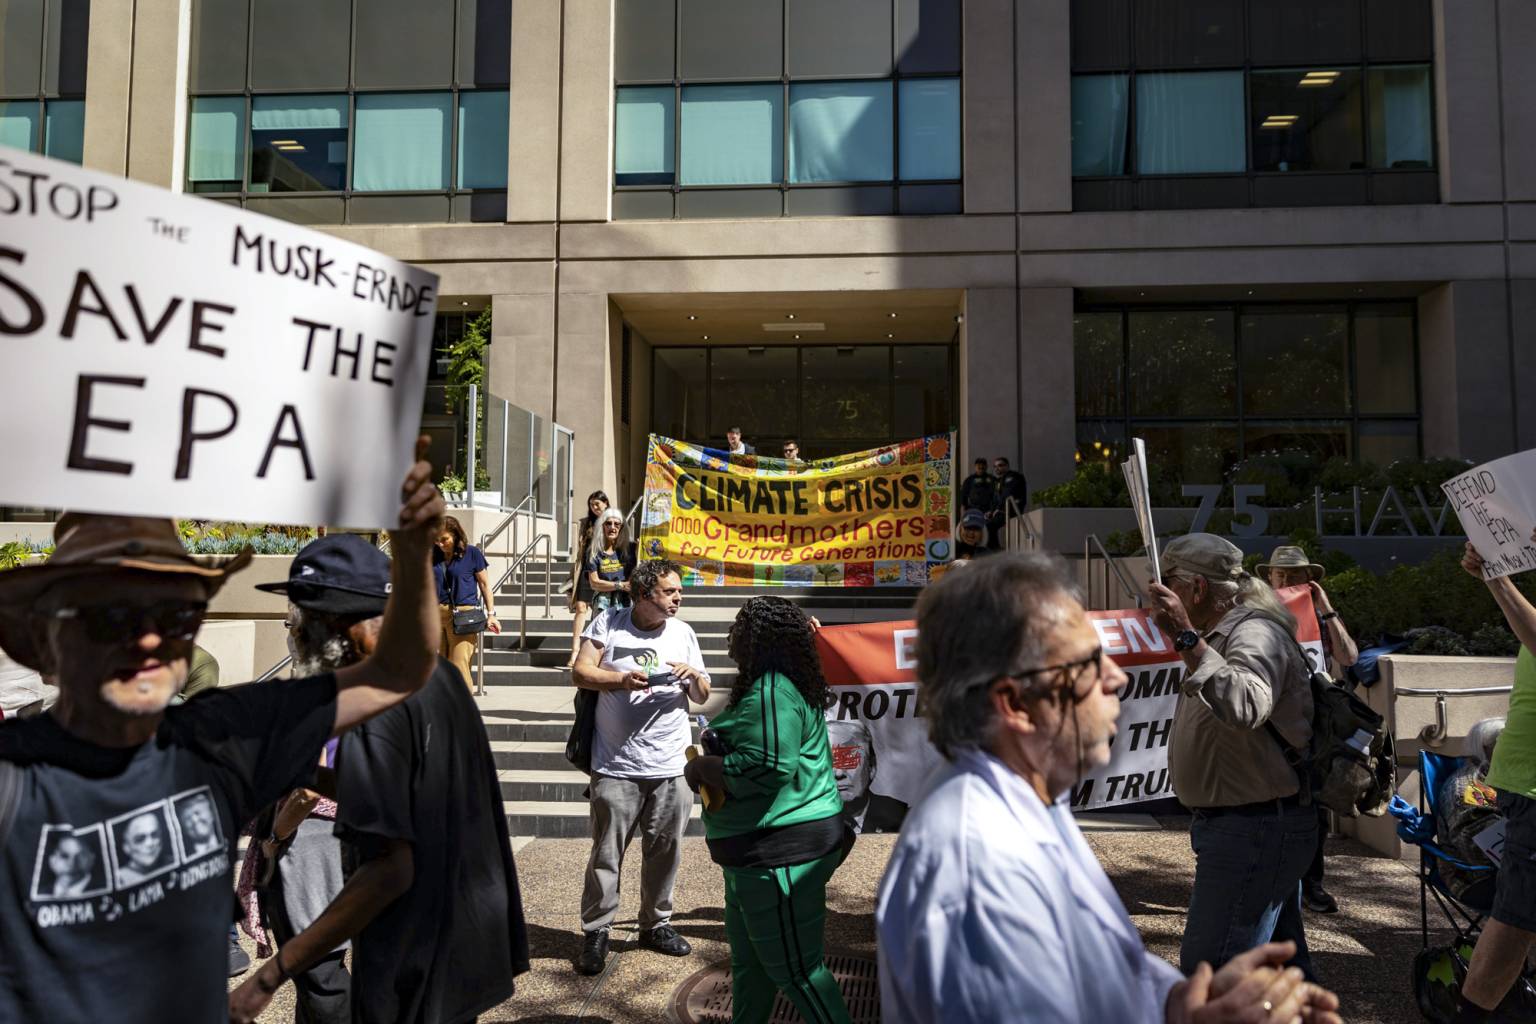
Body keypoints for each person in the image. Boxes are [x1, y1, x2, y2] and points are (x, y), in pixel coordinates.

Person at [0, 444, 443, 1022]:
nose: (150, 638)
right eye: (114, 615)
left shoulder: (215, 737)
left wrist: (411, 548)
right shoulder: (15, 778)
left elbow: (400, 668)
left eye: (174, 612)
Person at [877, 552, 1343, 1024]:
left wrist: (1176, 1003)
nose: (1115, 677)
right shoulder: (978, 865)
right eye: (1087, 663)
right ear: (1015, 704)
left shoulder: (1030, 802)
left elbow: (1105, 969)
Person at [230, 534, 530, 1024]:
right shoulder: (435, 674)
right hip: (462, 937)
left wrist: (270, 976)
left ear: (333, 621)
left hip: (414, 954)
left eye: (298, 623)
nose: (295, 636)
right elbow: (401, 791)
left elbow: (389, 867)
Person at [1148, 534, 1318, 980]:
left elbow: (1247, 704)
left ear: (1197, 588)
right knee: (1283, 971)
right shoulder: (1225, 632)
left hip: (1254, 827)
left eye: (1169, 582)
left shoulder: (1254, 632)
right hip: (1247, 824)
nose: (1160, 593)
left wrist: (1185, 637)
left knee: (1215, 970)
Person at [683, 597, 852, 1024]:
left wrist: (704, 768)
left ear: (758, 638)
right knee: (751, 966)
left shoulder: (773, 690)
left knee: (798, 973)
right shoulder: (777, 685)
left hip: (779, 857)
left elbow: (770, 765)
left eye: (738, 628)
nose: (731, 637)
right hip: (756, 856)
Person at [571, 559, 711, 975]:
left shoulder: (683, 632)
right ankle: (597, 930)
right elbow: (580, 672)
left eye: (679, 590)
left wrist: (693, 676)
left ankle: (656, 924)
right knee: (606, 853)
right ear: (644, 594)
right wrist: (620, 681)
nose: (678, 597)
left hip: (670, 764)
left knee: (665, 850)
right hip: (616, 764)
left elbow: (703, 695)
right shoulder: (608, 624)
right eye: (670, 591)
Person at [1453, 538, 1536, 1023]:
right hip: (1531, 784)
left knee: (1519, 915)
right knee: (1518, 916)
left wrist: (1496, 577)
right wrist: (1496, 577)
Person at [1259, 544, 1358, 916]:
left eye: (1294, 576)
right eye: (1279, 576)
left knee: (1313, 809)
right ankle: (1274, 883)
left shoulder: (1318, 617)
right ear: (1269, 579)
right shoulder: (1257, 614)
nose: (1286, 582)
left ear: (1309, 580)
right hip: (1271, 723)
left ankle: (1311, 885)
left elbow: (1348, 657)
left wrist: (1325, 607)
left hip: (1314, 727)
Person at [432, 516, 501, 691]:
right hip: (435, 615)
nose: (440, 544)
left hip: (463, 616)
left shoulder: (472, 553)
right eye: (437, 540)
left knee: (458, 667)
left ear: (456, 535)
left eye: (444, 539)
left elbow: (484, 585)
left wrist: (491, 614)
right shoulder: (432, 554)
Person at [567, 491, 611, 669]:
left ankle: (597, 652)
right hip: (586, 569)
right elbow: (580, 550)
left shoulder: (614, 521)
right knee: (580, 607)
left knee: (600, 610)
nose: (594, 508)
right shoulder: (586, 523)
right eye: (591, 505)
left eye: (597, 504)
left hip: (605, 570)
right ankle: (575, 651)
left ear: (606, 503)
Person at [586, 508, 635, 614]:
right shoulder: (594, 551)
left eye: (617, 524)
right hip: (602, 603)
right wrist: (620, 585)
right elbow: (594, 583)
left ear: (622, 528)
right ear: (602, 526)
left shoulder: (631, 549)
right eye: (608, 523)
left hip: (625, 601)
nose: (612, 527)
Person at [987, 456, 1028, 549]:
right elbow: (995, 499)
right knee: (984, 525)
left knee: (989, 526)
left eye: (1000, 465)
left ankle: (996, 551)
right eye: (995, 466)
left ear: (1007, 466)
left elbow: (1008, 493)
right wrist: (991, 511)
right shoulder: (999, 481)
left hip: (1012, 510)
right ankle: (994, 550)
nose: (997, 468)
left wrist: (999, 508)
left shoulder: (1013, 476)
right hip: (1002, 511)